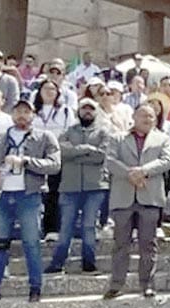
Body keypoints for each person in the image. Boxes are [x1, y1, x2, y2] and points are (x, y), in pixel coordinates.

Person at [0, 99, 61, 303]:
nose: (22, 115)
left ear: (33, 115)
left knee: (31, 243)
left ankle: (35, 287)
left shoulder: (45, 137)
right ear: (11, 114)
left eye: (26, 111)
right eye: (18, 111)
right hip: (0, 196)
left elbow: (54, 165)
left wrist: (26, 161)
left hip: (29, 196)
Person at [104, 104, 170, 299]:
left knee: (148, 244)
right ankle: (116, 284)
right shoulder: (117, 138)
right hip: (123, 197)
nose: (148, 119)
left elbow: (166, 161)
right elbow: (110, 161)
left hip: (149, 197)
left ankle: (147, 284)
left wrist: (143, 171)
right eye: (144, 115)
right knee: (120, 244)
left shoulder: (163, 139)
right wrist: (130, 174)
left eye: (151, 116)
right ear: (133, 116)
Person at [44, 98, 111, 274]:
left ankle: (89, 264)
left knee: (89, 226)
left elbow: (101, 156)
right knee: (65, 226)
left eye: (91, 109)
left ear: (96, 112)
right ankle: (57, 263)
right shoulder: (68, 131)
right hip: (69, 186)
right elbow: (61, 152)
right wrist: (86, 149)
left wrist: (75, 152)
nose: (87, 112)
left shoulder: (103, 132)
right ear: (78, 111)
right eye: (84, 109)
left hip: (95, 187)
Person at [33, 79, 75, 241]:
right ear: (40, 91)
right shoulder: (33, 110)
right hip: (35, 156)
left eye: (53, 89)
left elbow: (69, 132)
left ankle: (52, 228)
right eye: (46, 88)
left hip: (55, 156)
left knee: (54, 192)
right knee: (35, 193)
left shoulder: (65, 111)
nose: (49, 92)